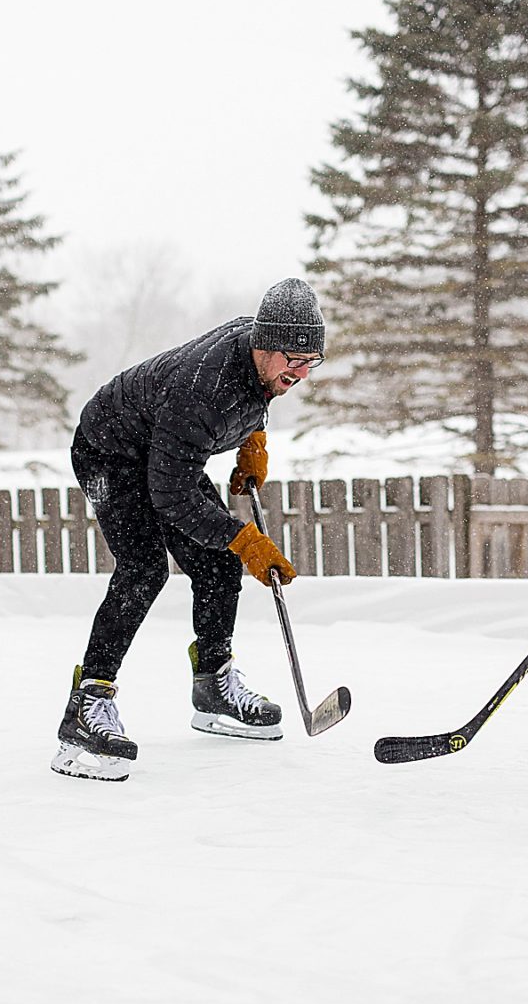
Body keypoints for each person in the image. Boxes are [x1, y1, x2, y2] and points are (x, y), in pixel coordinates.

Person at [51, 278, 326, 781]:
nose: (302, 372)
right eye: (295, 358)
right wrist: (246, 539)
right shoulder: (204, 390)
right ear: (265, 344)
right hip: (107, 452)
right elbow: (171, 497)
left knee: (216, 561)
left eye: (313, 362)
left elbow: (250, 395)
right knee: (144, 569)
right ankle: (86, 707)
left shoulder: (258, 353)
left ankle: (213, 686)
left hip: (164, 449)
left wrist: (252, 441)